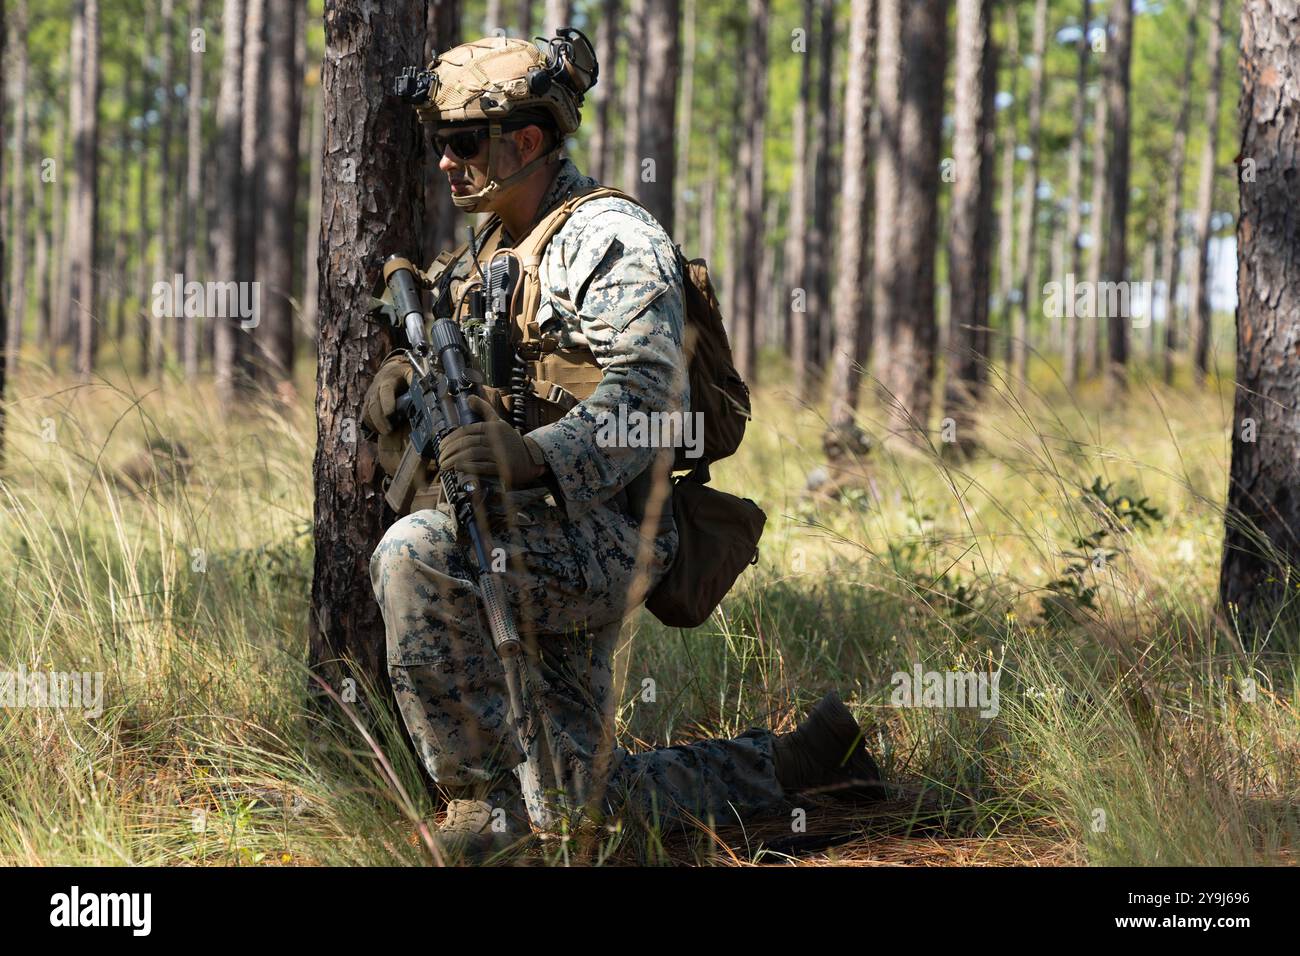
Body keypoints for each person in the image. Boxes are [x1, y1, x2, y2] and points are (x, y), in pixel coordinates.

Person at [362, 31, 883, 862]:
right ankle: (797, 764)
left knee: (414, 553)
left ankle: (477, 808)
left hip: (605, 527)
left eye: (462, 143)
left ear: (526, 142)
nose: (446, 163)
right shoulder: (492, 240)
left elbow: (651, 397)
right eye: (439, 145)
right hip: (522, 525)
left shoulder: (609, 239)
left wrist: (537, 456)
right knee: (577, 796)